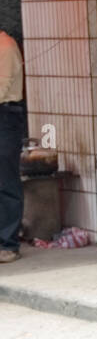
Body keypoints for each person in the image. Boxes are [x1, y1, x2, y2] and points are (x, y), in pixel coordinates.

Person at [0, 26, 24, 264]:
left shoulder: (5, 47)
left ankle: (9, 243)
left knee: (6, 180)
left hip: (5, 116)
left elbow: (1, 87)